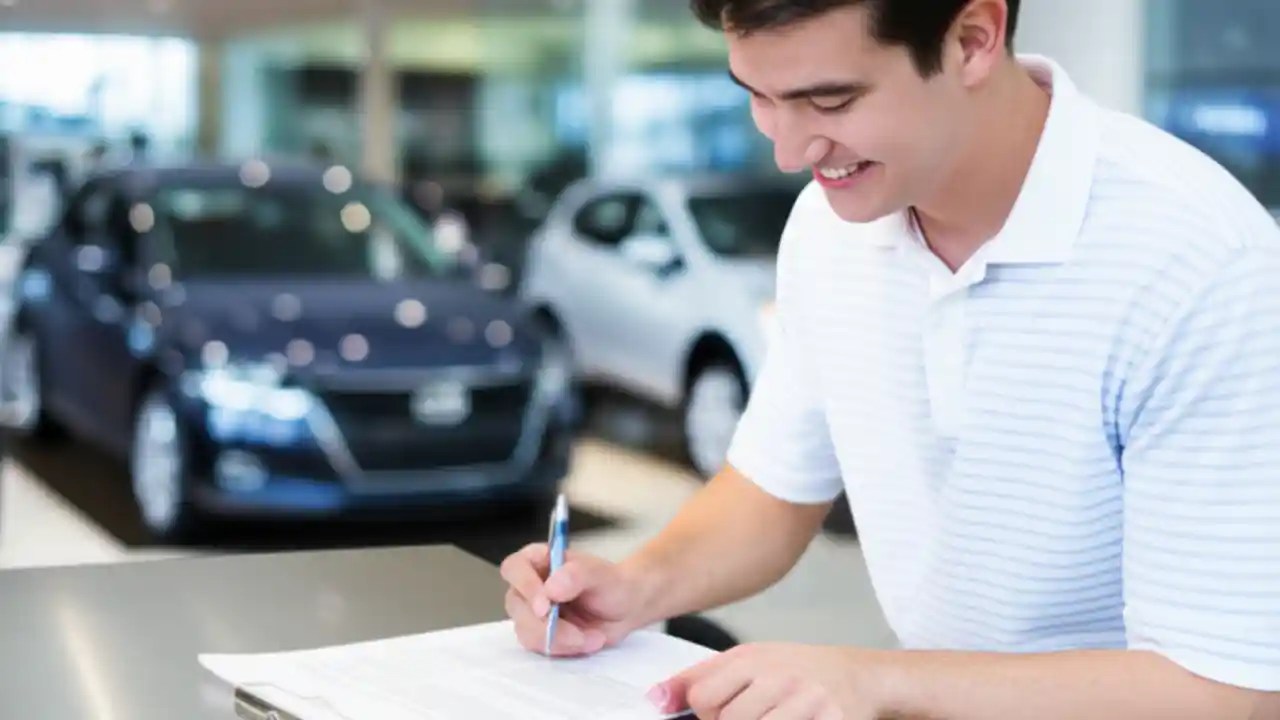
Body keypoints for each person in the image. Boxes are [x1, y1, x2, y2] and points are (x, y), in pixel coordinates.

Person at [500, 1, 1280, 717]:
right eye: (759, 95)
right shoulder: (828, 226)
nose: (787, 149)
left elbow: (1224, 690)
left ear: (973, 39)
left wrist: (874, 680)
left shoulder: (1202, 264)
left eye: (830, 101)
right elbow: (772, 492)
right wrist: (634, 587)